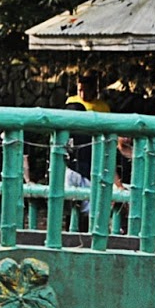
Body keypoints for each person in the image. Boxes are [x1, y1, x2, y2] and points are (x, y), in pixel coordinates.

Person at [61, 73, 112, 230]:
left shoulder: (102, 107)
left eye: (85, 90)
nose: (82, 94)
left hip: (92, 149)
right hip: (73, 154)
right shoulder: (72, 103)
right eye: (79, 90)